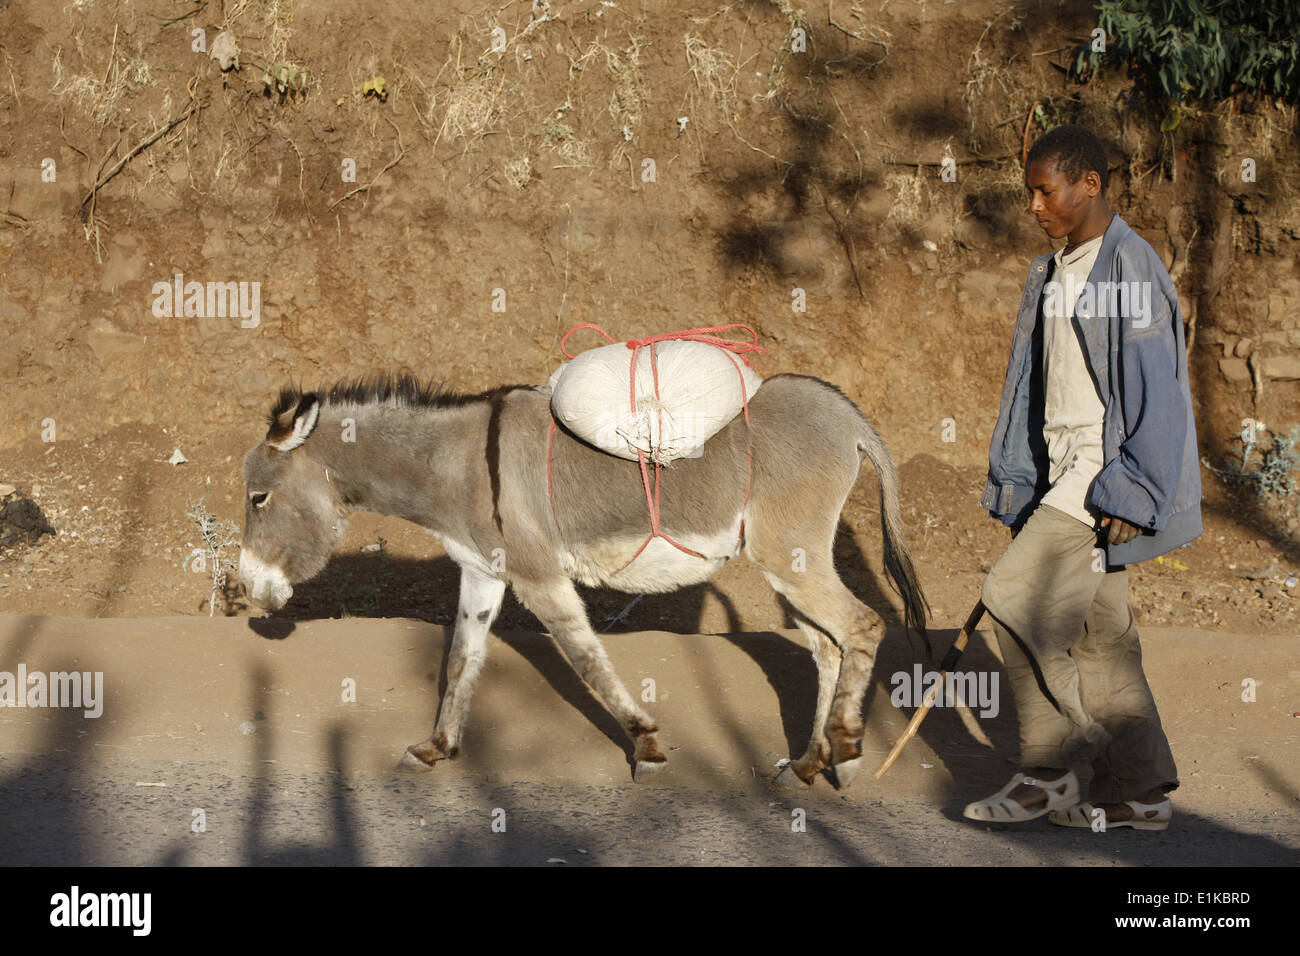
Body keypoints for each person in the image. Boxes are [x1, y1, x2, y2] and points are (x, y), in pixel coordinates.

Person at [964, 124, 1202, 830]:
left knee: (1011, 594)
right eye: (1030, 192)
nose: (1034, 205)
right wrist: (1021, 484)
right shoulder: (1052, 270)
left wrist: (1134, 488)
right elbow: (1037, 391)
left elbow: (1159, 388)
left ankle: (1054, 768)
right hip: (1062, 473)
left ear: (1090, 183)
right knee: (1103, 641)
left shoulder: (1129, 266)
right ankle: (1143, 793)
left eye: (1046, 190)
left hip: (1101, 476)